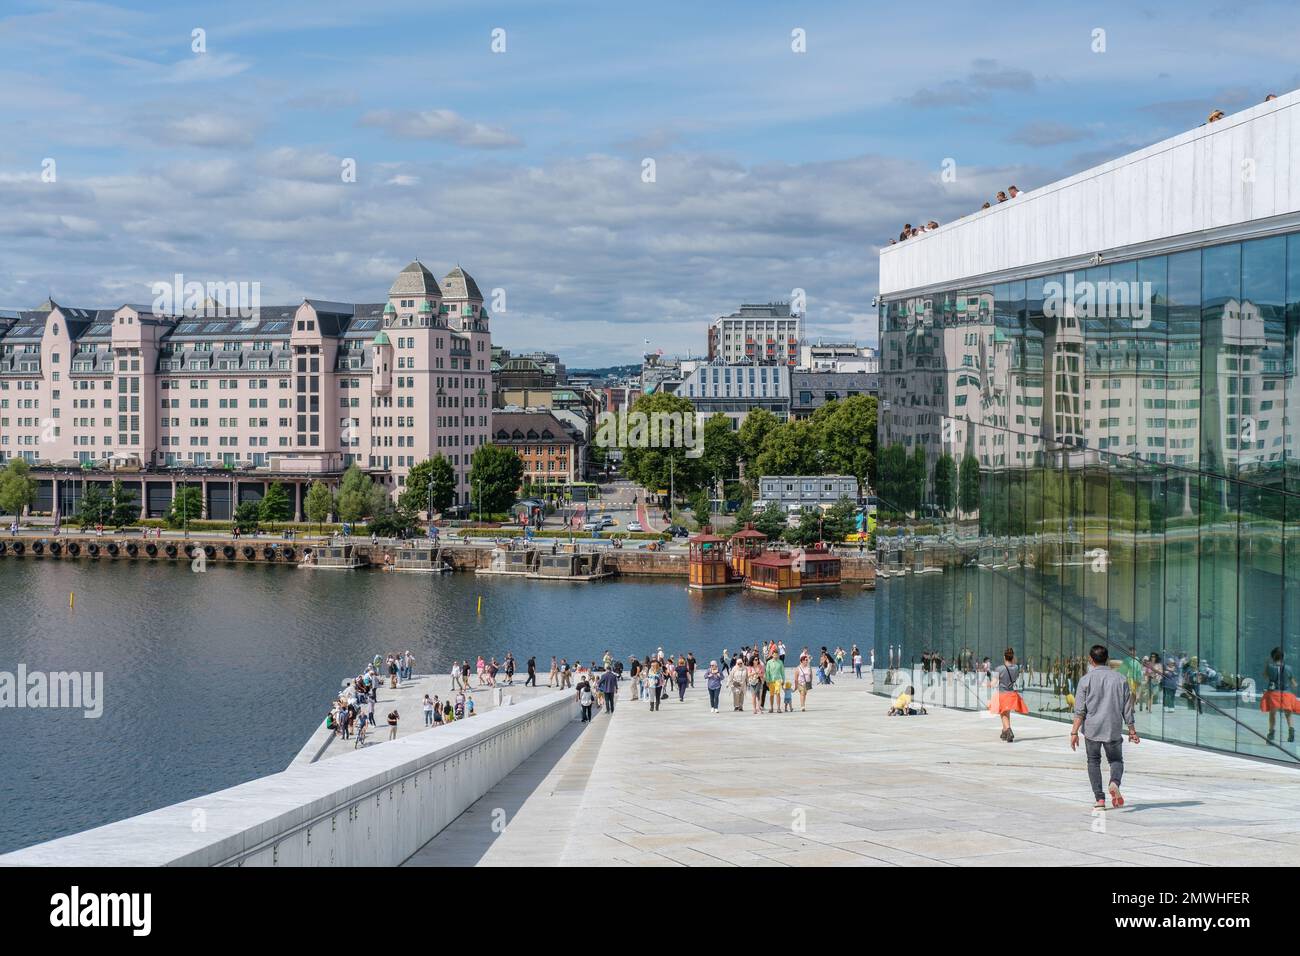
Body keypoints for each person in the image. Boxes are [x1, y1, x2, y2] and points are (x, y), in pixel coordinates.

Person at [1070, 644, 1140, 810]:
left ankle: (1100, 799)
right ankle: (1114, 782)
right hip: (1113, 728)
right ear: (1107, 659)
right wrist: (1132, 731)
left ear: (1090, 660)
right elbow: (1127, 709)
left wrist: (1074, 732)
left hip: (1092, 729)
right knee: (1116, 760)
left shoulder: (1085, 680)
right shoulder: (1120, 679)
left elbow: (1080, 711)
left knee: (1093, 761)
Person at [989, 647, 1029, 742]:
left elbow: (993, 683)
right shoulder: (1016, 668)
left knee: (1003, 713)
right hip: (1012, 694)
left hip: (1002, 694)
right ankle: (1004, 732)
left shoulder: (999, 669)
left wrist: (985, 684)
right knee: (1007, 712)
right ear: (1012, 657)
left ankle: (1009, 730)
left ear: (1004, 657)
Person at [1261, 647, 1298, 743]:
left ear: (1272, 657)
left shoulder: (1270, 667)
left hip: (1274, 694)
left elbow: (1265, 676)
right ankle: (1291, 731)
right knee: (1288, 714)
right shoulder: (1288, 668)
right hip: (1286, 694)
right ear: (1283, 657)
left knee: (1272, 714)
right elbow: (1294, 683)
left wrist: (1266, 665)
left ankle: (1271, 733)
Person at [764, 650, 785, 714]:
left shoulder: (780, 662)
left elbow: (782, 672)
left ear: (778, 655)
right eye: (774, 654)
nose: (775, 656)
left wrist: (783, 680)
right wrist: (767, 680)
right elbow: (767, 672)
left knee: (778, 693)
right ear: (772, 655)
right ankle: (771, 708)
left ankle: (778, 708)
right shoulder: (769, 662)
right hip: (771, 680)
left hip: (778, 680)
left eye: (777, 654)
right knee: (771, 695)